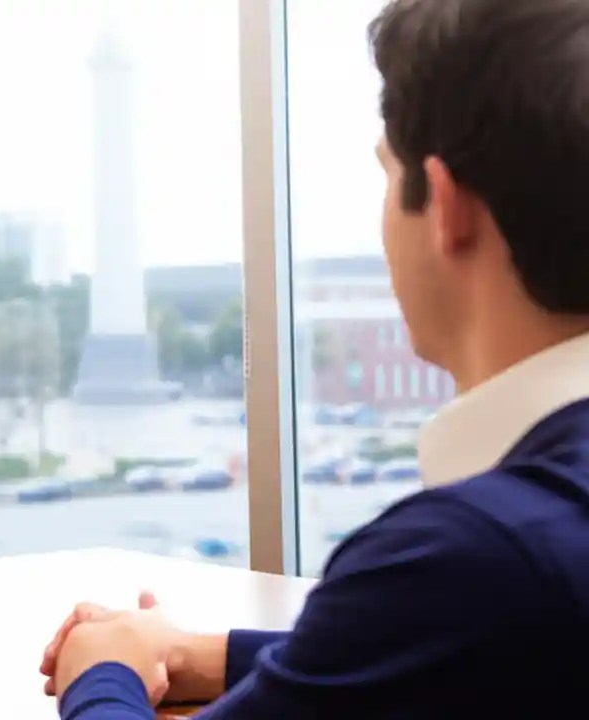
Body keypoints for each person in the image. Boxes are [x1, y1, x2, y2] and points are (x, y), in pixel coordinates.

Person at [40, 0, 589, 717]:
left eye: (387, 175)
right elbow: (448, 649)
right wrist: (204, 654)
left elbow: (452, 613)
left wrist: (102, 671)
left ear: (446, 207)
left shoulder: (470, 557)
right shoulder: (507, 571)